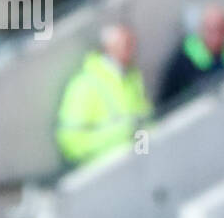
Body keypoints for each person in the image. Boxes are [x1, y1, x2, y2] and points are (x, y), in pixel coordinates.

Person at [55, 23, 152, 165]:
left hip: (138, 162)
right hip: (105, 168)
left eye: (132, 44)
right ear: (109, 47)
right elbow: (70, 141)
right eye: (126, 45)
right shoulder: (85, 85)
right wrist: (120, 134)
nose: (132, 50)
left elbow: (144, 118)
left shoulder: (132, 77)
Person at [157, 4, 224, 104]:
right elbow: (166, 99)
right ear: (201, 30)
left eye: (221, 29)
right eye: (210, 30)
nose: (216, 36)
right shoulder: (183, 60)